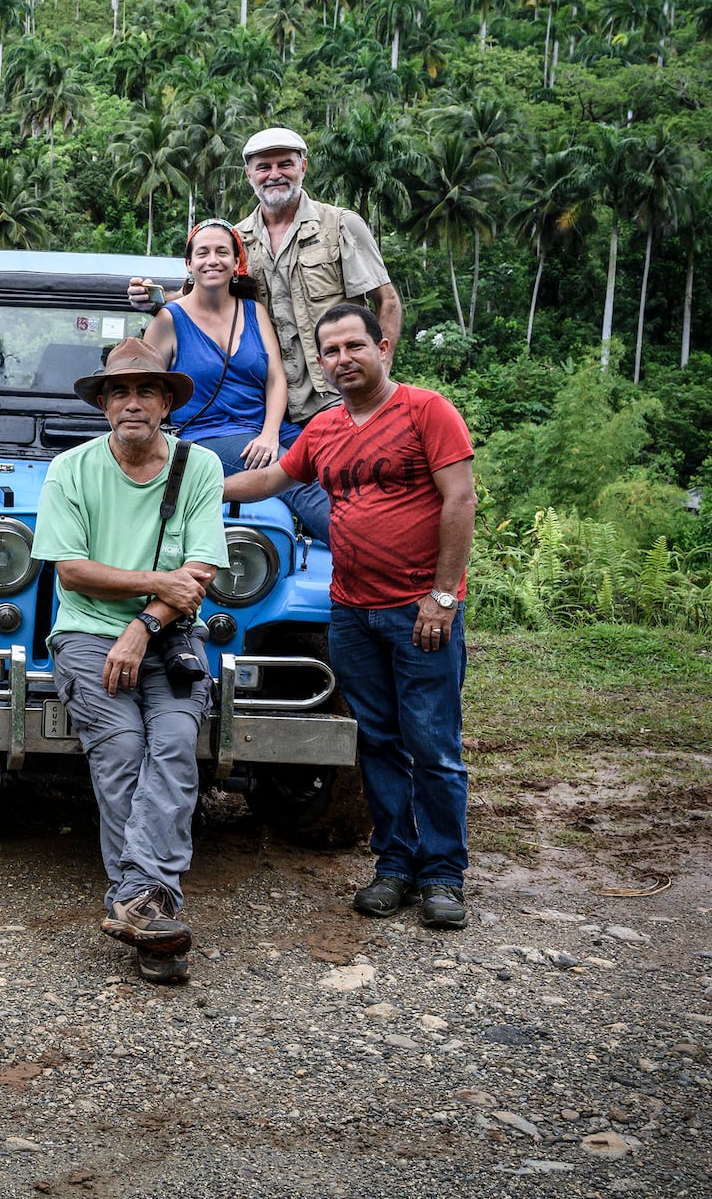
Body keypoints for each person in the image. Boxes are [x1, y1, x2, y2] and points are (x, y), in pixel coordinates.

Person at [221, 304, 476, 931]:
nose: (343, 360)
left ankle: (443, 876)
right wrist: (195, 484)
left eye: (354, 346)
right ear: (321, 362)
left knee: (433, 746)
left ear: (382, 347)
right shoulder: (325, 427)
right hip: (351, 612)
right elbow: (274, 479)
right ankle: (394, 866)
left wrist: (443, 596)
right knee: (377, 743)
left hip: (419, 610)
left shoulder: (427, 411)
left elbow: (460, 499)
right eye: (331, 351)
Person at [30, 338, 227, 985]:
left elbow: (199, 571)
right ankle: (152, 908)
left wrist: (145, 623)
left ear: (167, 402)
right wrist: (157, 585)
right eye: (120, 392)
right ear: (104, 405)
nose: (133, 403)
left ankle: (137, 902)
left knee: (172, 743)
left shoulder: (199, 466)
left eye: (146, 391)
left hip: (169, 638)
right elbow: (71, 569)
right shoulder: (72, 469)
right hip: (87, 635)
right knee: (120, 747)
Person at [127, 126, 402, 431]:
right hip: (273, 407)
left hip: (337, 395)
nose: (274, 175)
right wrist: (155, 298)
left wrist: (381, 371)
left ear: (303, 167)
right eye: (264, 167)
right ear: (249, 175)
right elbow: (199, 295)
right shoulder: (238, 239)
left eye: (285, 164)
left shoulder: (339, 225)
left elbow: (387, 300)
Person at [139, 217, 331, 541]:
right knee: (296, 478)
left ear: (236, 262)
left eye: (222, 252)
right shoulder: (168, 320)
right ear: (189, 264)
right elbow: (145, 392)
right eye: (203, 253)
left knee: (334, 464)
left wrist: (270, 433)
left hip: (266, 427)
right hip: (211, 433)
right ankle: (370, 559)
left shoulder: (254, 311)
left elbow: (275, 380)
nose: (212, 260)